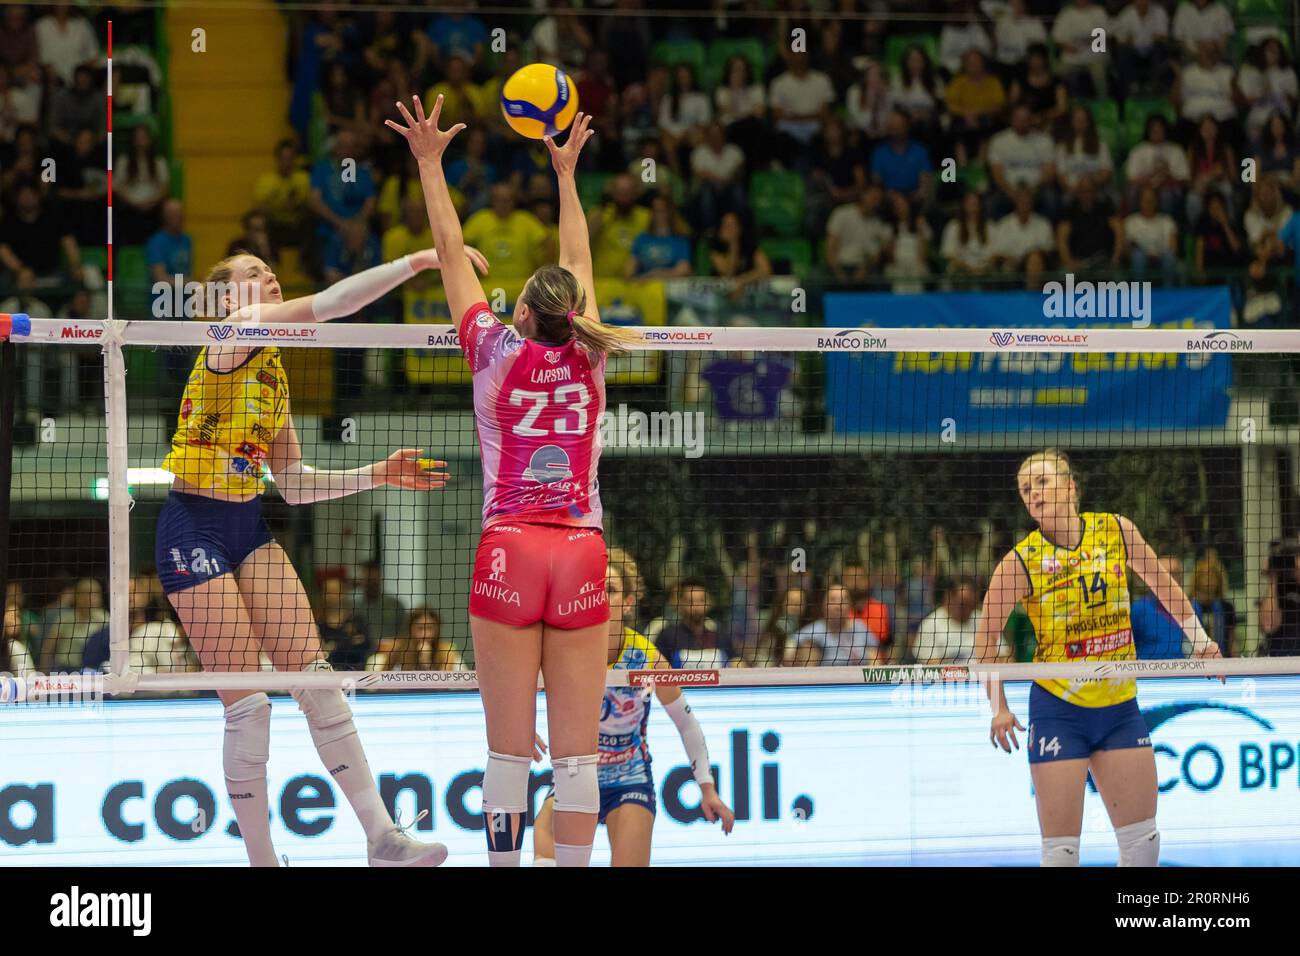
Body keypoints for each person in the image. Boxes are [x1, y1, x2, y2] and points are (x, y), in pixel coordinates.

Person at [155, 234, 488, 867]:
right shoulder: (232, 335)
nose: (271, 276)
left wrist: (378, 473)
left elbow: (296, 485)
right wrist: (419, 262)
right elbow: (333, 303)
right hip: (191, 527)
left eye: (272, 267)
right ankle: (262, 859)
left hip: (247, 527)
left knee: (318, 684)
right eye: (255, 272)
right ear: (226, 298)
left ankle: (383, 838)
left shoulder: (273, 371)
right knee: (249, 705)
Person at [387, 97, 636, 867]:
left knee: (506, 755)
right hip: (584, 553)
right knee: (578, 762)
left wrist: (430, 163)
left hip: (510, 551)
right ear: (571, 314)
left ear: (521, 309)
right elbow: (581, 264)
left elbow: (451, 248)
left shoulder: (493, 350)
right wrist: (566, 176)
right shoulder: (591, 354)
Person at [976, 449, 1222, 867]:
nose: (1033, 492)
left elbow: (1166, 590)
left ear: (1071, 486)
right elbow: (984, 647)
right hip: (1059, 709)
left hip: (1120, 707)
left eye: (1042, 481)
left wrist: (1200, 640)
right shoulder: (1019, 562)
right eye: (1024, 488)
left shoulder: (1116, 531)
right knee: (1061, 853)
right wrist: (999, 707)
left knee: (1142, 845)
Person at [532, 557, 735, 866]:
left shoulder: (647, 657)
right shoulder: (563, 648)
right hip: (575, 773)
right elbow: (520, 691)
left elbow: (687, 724)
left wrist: (707, 789)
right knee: (544, 856)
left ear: (627, 603)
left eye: (610, 590)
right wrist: (524, 725)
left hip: (629, 779)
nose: (601, 595)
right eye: (595, 589)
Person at [794, 584, 879, 666]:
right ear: (824, 605)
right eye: (833, 600)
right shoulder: (813, 632)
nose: (838, 605)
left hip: (860, 678)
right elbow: (791, 646)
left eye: (843, 600)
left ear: (850, 605)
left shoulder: (860, 627)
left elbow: (875, 658)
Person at [911, 576, 983, 664]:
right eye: (963, 604)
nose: (969, 609)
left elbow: (1002, 655)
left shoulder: (983, 620)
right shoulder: (930, 624)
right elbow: (932, 666)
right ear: (948, 597)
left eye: (972, 604)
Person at [366, 607, 464, 671]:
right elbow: (382, 684)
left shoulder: (447, 651)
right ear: (410, 628)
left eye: (430, 628)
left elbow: (444, 686)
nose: (425, 634)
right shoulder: (398, 649)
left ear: (437, 629)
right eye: (420, 628)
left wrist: (427, 664)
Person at [1128, 555, 1187, 659]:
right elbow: (1129, 648)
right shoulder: (1139, 609)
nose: (1170, 579)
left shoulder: (1192, 608)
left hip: (1183, 673)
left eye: (1175, 574)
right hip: (1148, 673)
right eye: (1164, 574)